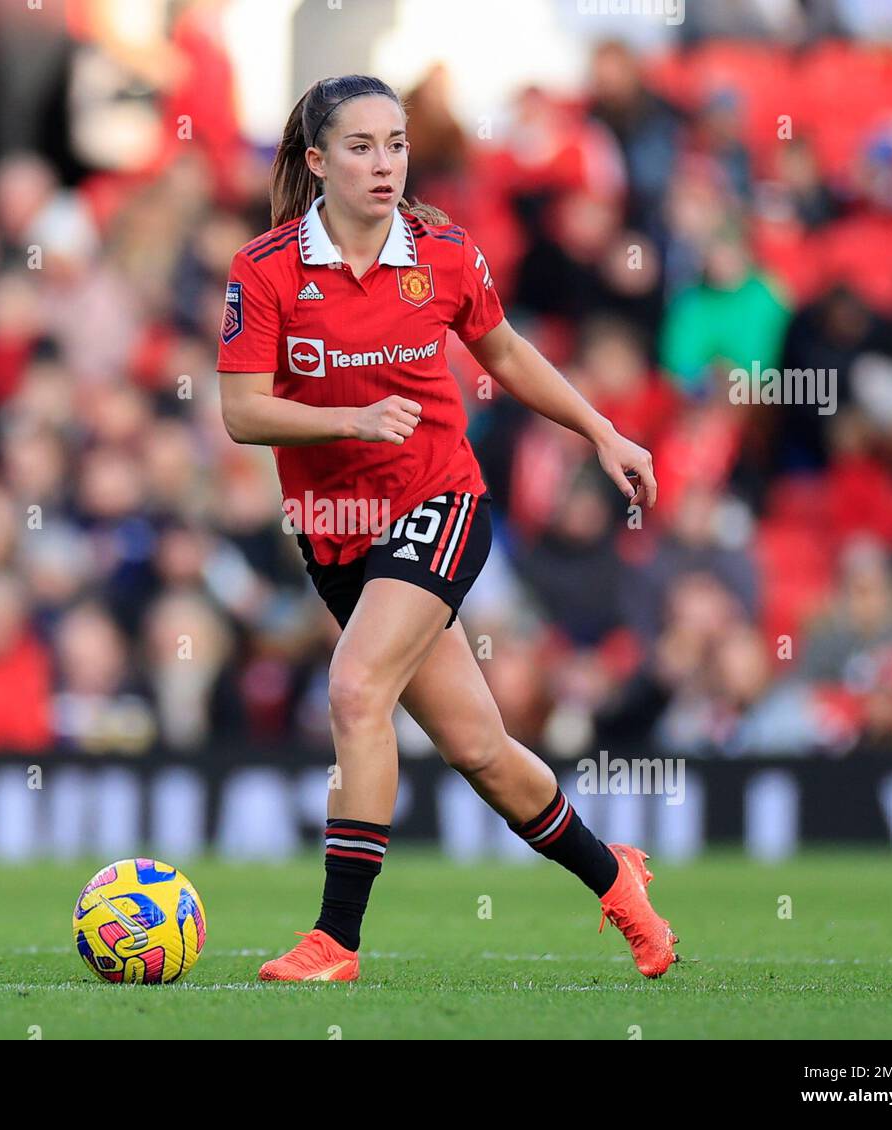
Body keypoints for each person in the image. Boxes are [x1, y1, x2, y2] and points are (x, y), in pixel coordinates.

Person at [216, 75, 678, 981]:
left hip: (441, 505)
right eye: (360, 146)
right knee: (480, 750)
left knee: (354, 692)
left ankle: (335, 941)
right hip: (334, 534)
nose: (384, 163)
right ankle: (615, 878)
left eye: (395, 143)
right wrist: (346, 421)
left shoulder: (446, 254)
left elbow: (503, 351)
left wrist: (601, 431)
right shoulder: (265, 268)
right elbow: (241, 411)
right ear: (316, 161)